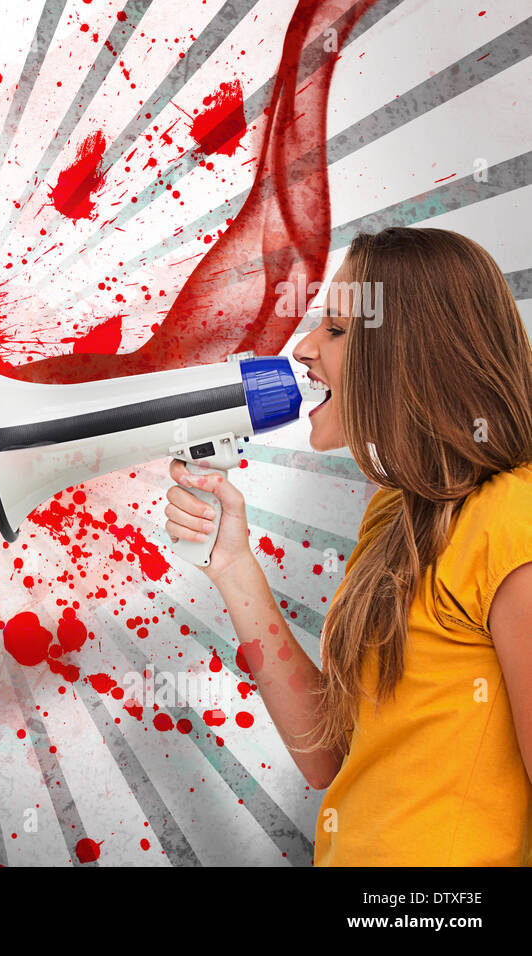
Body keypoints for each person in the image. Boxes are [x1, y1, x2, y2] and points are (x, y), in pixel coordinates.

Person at [163, 227, 532, 865]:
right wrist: (232, 564)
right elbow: (325, 754)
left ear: (409, 352)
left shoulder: (513, 517)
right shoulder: (396, 514)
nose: (304, 350)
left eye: (336, 331)